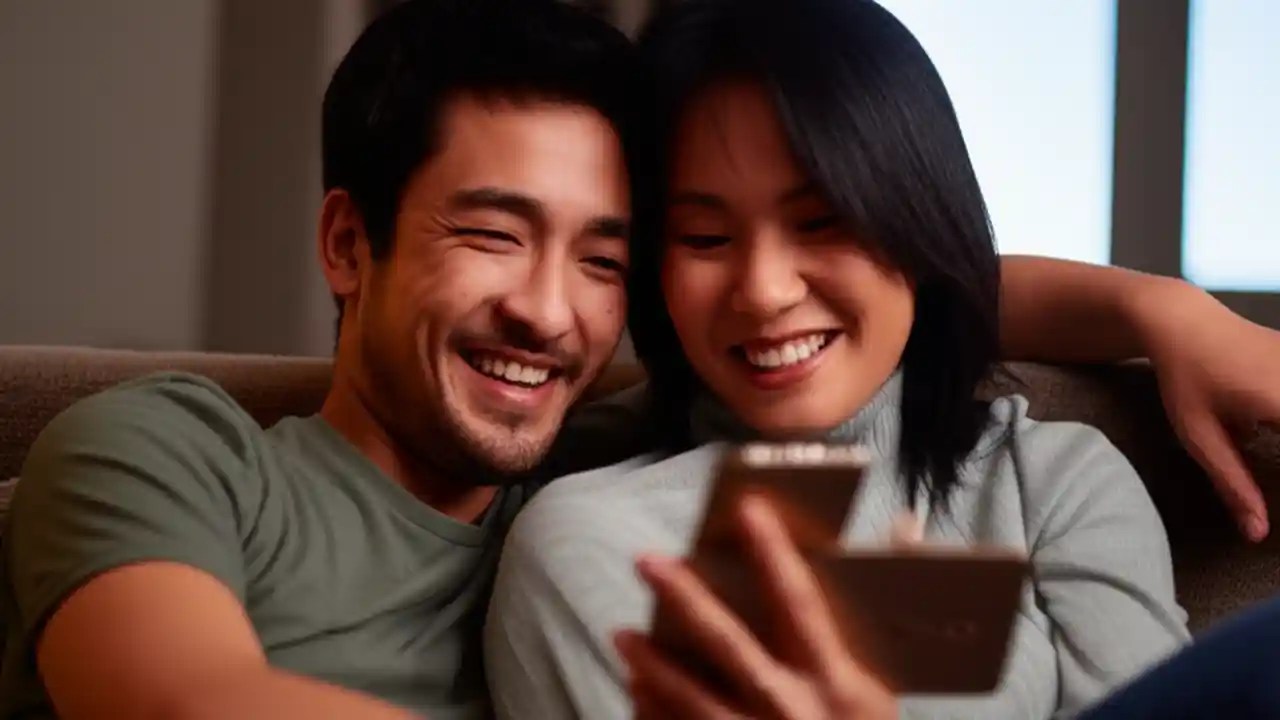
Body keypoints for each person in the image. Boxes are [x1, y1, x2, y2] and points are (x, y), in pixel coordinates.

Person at [1, 0, 1278, 718]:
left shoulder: (617, 439)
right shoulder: (168, 448)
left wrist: (1162, 310)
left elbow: (859, 300)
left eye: (604, 258)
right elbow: (184, 701)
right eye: (494, 236)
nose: (548, 314)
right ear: (349, 240)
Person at [481, 1, 1200, 718]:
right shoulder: (587, 537)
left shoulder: (1053, 482)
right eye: (704, 237)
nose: (764, 293)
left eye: (822, 222)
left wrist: (1163, 308)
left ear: (917, 219)